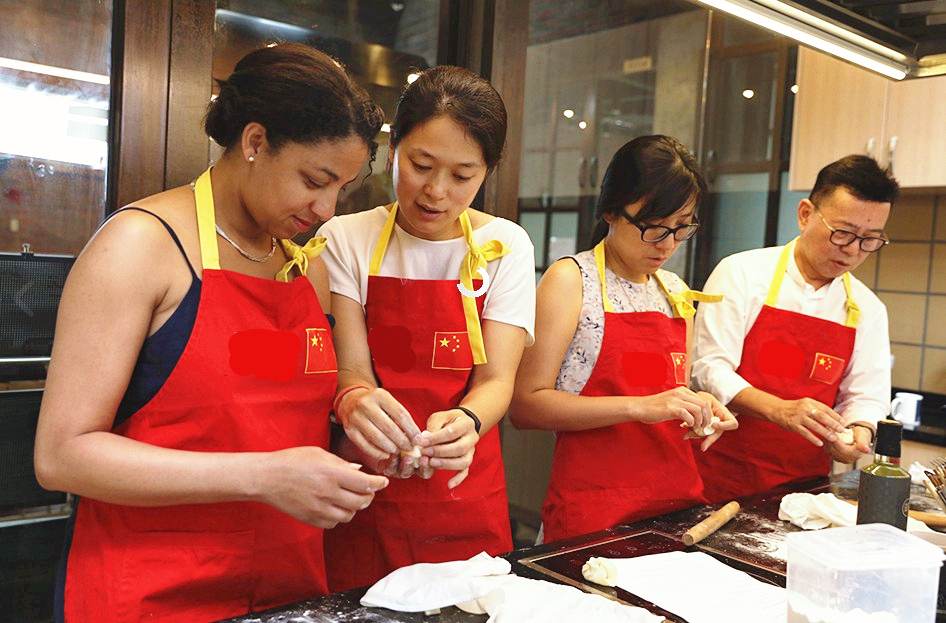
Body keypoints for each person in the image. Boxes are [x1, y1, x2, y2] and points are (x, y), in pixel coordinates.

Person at [33, 43, 389, 623]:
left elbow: (276, 409)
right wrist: (263, 475)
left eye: (341, 190)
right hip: (150, 593)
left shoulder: (305, 265)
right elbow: (61, 455)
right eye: (314, 180)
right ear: (254, 142)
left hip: (288, 589)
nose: (327, 209)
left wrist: (362, 438)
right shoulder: (139, 247)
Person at [319, 65, 535, 591]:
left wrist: (467, 421)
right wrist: (356, 403)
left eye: (463, 176)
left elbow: (496, 381)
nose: (436, 191)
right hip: (364, 488)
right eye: (421, 164)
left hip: (462, 492)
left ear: (488, 172)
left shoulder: (506, 245)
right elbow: (351, 370)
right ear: (394, 151)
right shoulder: (345, 238)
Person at [509, 135, 737, 543]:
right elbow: (525, 406)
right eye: (653, 227)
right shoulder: (571, 280)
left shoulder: (674, 290)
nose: (667, 244)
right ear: (612, 210)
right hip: (594, 510)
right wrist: (639, 407)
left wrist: (702, 407)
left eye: (682, 228)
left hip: (674, 506)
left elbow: (671, 396)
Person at [691, 154, 898, 502]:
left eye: (870, 240)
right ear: (805, 214)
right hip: (714, 476)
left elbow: (867, 398)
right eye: (843, 233)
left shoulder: (868, 309)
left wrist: (858, 431)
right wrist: (779, 409)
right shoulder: (740, 274)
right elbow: (707, 368)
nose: (853, 251)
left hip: (804, 491)